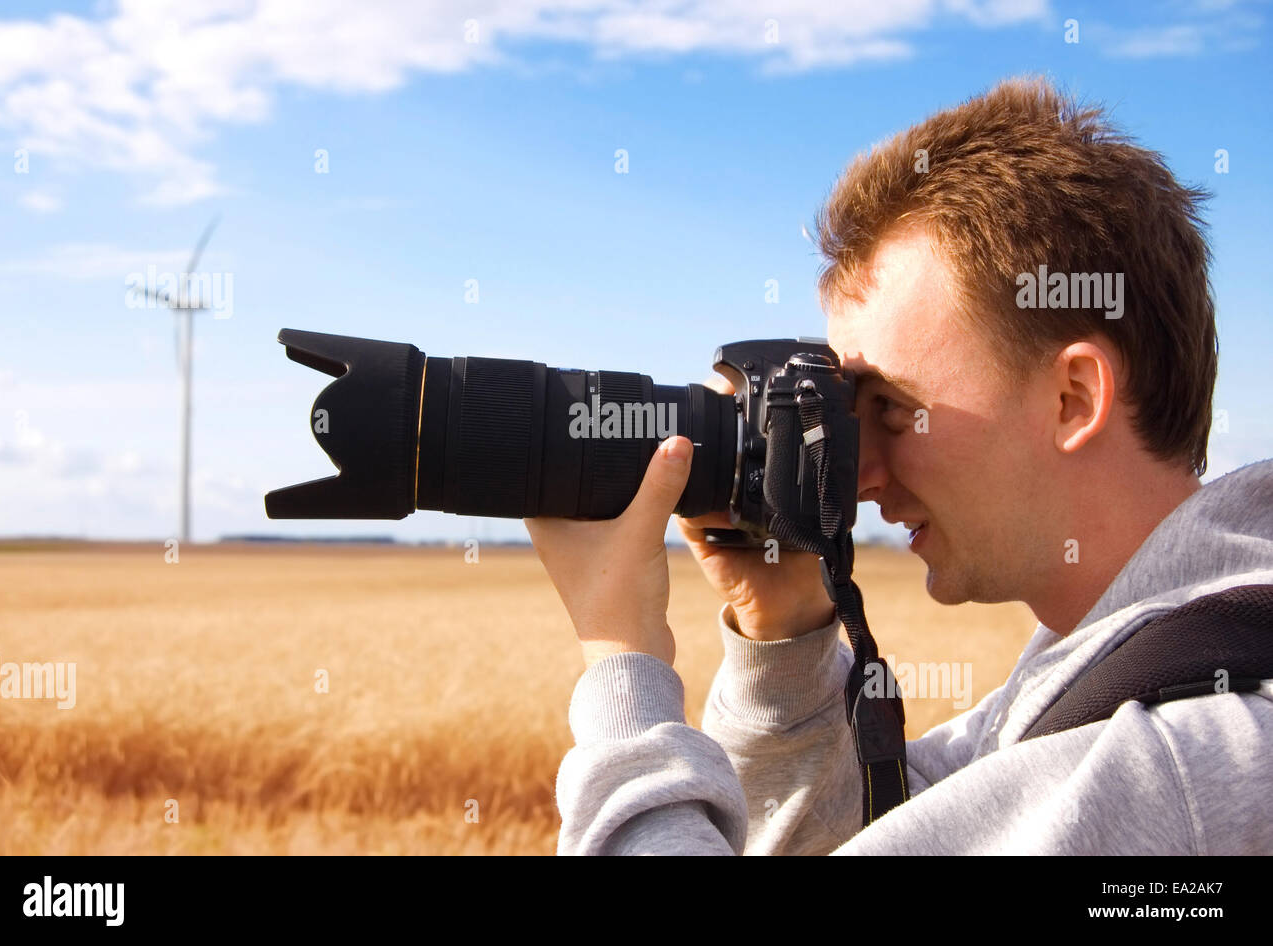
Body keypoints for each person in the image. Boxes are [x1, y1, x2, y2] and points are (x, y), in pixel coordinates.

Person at [525, 76, 1273, 855]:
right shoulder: (1113, 673)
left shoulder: (1183, 762)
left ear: (1072, 399)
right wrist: (786, 639)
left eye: (888, 409)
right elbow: (887, 829)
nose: (862, 474)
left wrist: (623, 682)